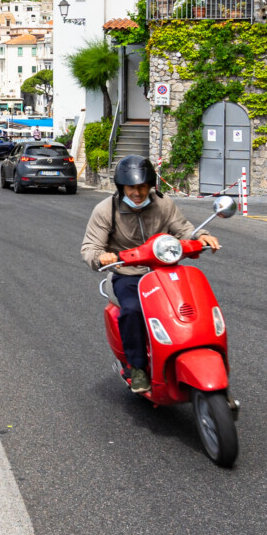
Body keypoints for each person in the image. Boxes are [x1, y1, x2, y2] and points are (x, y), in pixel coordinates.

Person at [80, 155, 222, 394]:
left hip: (165, 269)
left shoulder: (163, 204)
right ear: (121, 187)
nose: (138, 192)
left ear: (151, 185)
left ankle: (199, 350)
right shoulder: (106, 210)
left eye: (143, 186)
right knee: (133, 310)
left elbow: (183, 227)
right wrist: (101, 257)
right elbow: (90, 247)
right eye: (132, 187)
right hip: (127, 273)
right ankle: (137, 367)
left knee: (194, 303)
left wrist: (201, 236)